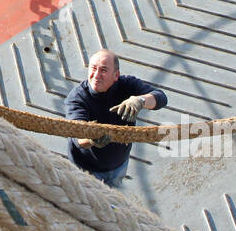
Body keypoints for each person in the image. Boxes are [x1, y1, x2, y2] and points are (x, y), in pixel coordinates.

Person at [65, 49, 167, 189]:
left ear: (116, 75)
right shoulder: (77, 98)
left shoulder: (127, 85)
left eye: (103, 70)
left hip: (118, 166)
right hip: (86, 170)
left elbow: (161, 98)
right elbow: (76, 134)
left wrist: (140, 100)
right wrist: (90, 139)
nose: (96, 75)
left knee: (113, 201)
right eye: (93, 68)